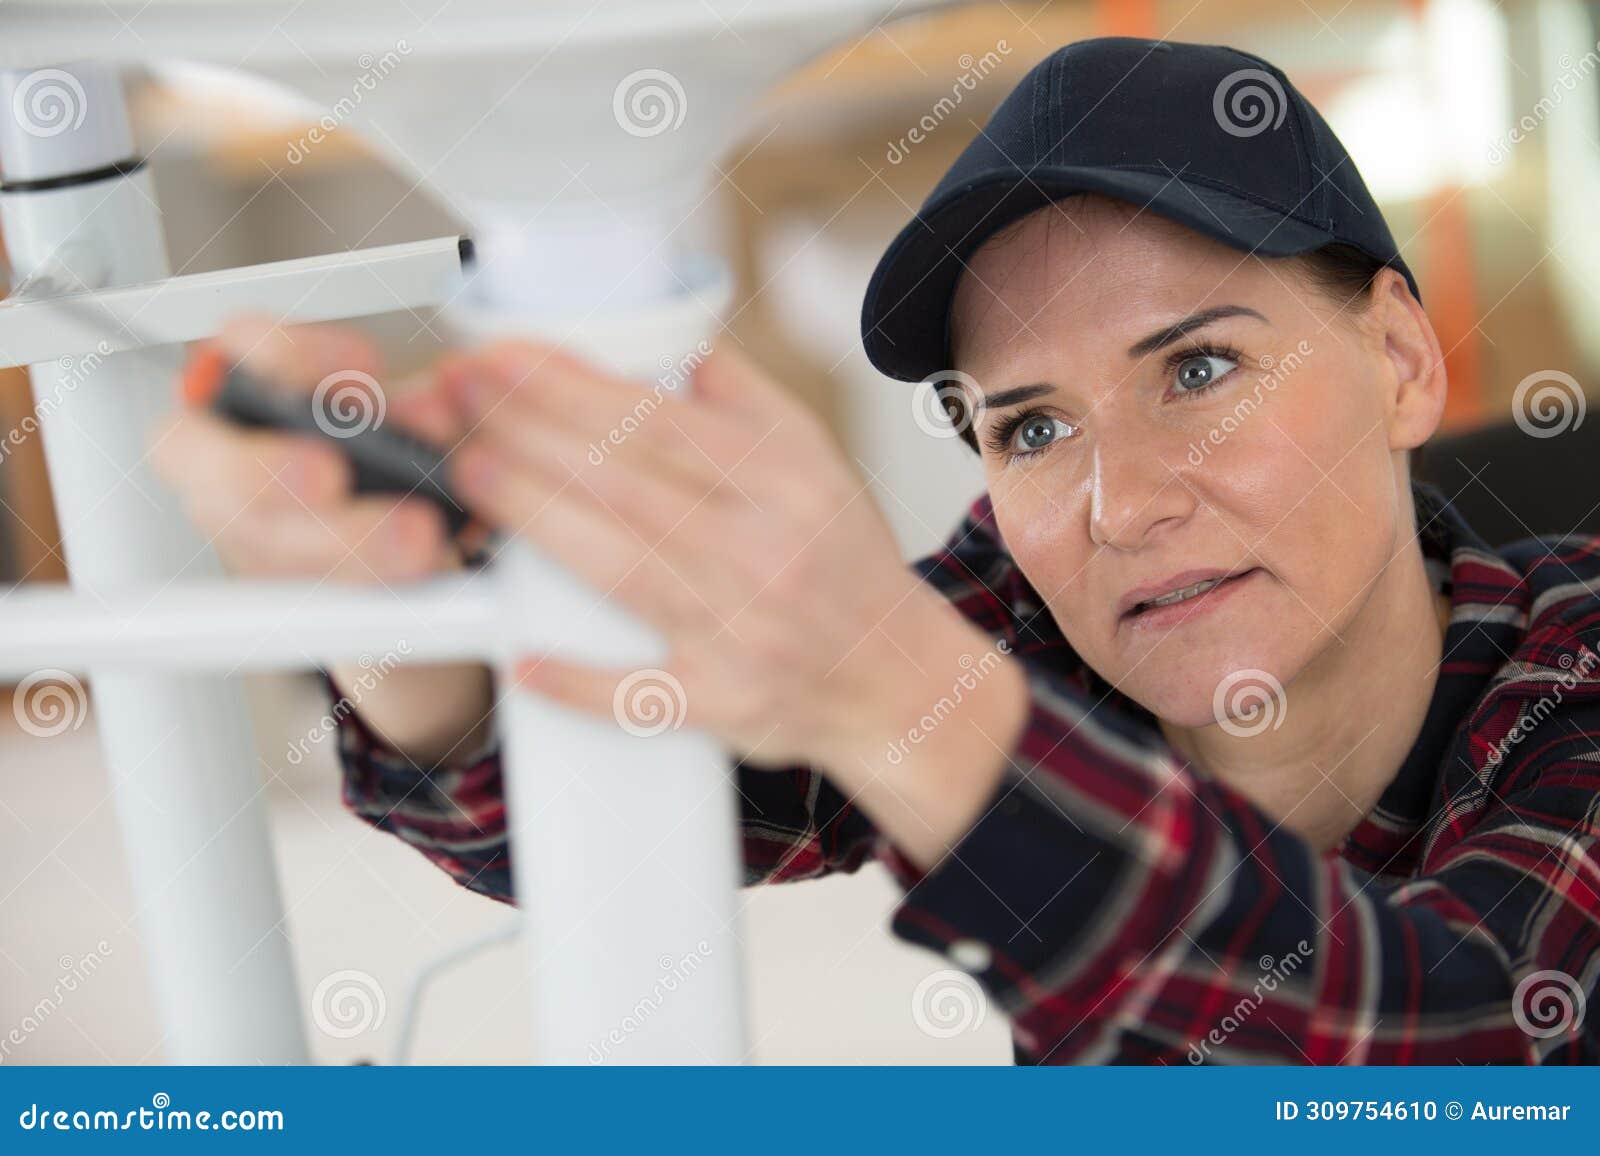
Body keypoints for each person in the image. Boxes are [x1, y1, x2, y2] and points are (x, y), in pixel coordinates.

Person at [150, 36, 1600, 1064]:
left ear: (1405, 358)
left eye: (1200, 370)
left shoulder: (1575, 668)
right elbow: (606, 800)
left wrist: (886, 680)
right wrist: (384, 593)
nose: (1121, 504)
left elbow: (1454, 1045)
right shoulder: (1027, 614)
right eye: (1031, 427)